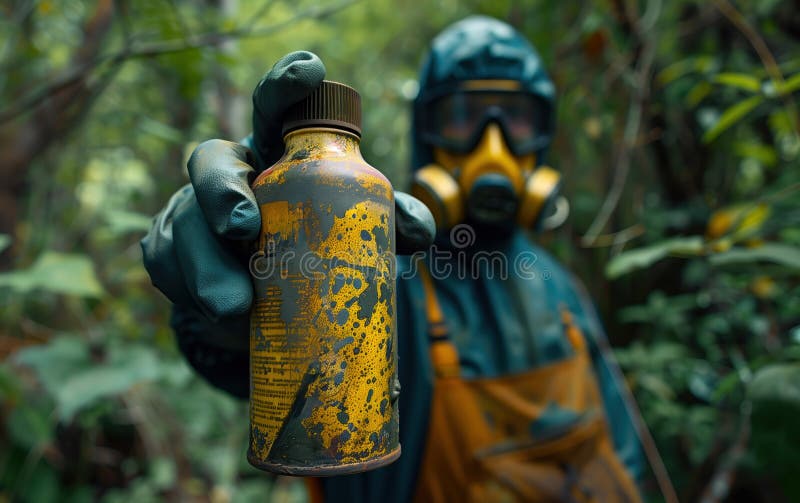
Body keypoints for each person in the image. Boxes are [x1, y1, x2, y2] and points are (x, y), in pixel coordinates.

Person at [142, 15, 645, 503]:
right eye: (464, 117)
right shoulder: (372, 272)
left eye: (516, 118)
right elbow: (253, 363)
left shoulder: (561, 287)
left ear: (543, 133)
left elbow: (624, 455)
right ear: (427, 135)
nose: (494, 147)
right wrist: (270, 255)